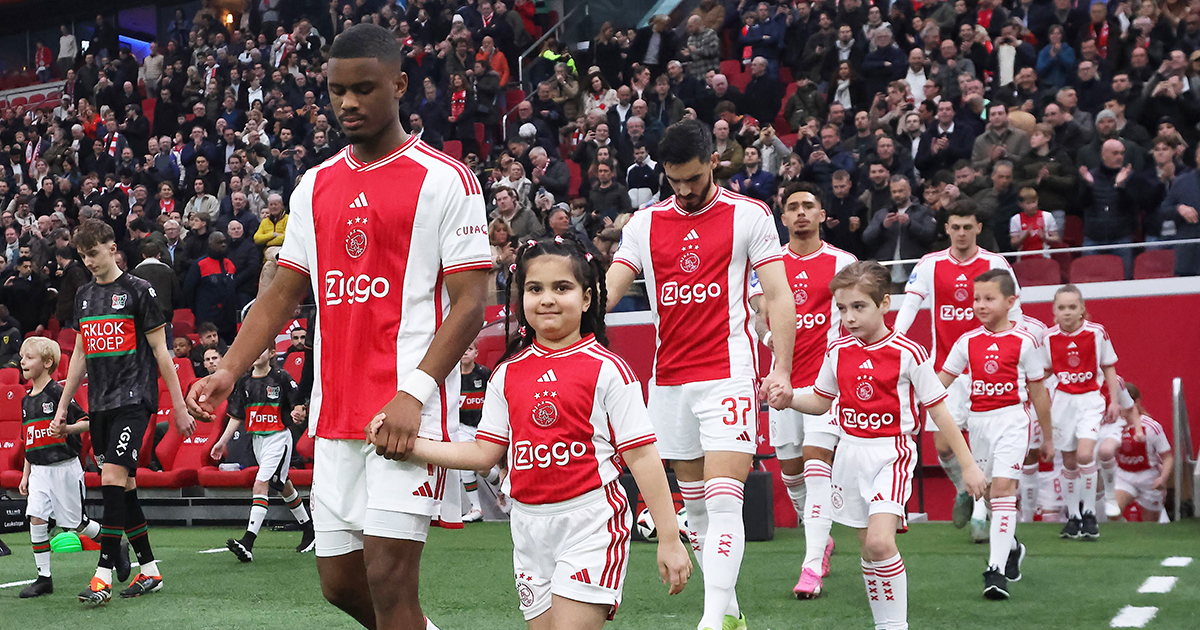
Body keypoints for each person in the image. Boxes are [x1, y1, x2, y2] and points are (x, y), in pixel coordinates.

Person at [187, 25, 492, 630]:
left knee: (388, 579)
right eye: (336, 91)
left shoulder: (446, 180)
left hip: (409, 410)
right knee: (339, 584)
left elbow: (470, 305)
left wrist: (416, 394)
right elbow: (281, 294)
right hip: (335, 412)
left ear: (400, 86)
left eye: (363, 88)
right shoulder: (316, 184)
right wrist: (228, 369)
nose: (347, 103)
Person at [394, 236, 691, 628]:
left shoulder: (609, 369)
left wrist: (669, 538)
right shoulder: (506, 372)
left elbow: (642, 456)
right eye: (535, 289)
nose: (547, 299)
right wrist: (412, 445)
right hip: (528, 528)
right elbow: (484, 454)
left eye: (562, 288)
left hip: (590, 524)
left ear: (587, 299)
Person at [604, 119, 796, 630]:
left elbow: (778, 295)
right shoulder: (643, 225)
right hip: (668, 381)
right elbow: (609, 289)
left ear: (714, 161)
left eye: (693, 178)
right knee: (698, 510)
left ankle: (711, 620)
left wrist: (781, 368)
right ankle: (730, 614)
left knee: (724, 497)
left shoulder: (750, 214)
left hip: (727, 374)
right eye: (674, 180)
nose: (685, 190)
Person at [766, 261, 985, 630]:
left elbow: (940, 411)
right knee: (869, 548)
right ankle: (884, 623)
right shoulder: (837, 350)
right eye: (841, 308)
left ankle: (895, 625)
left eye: (858, 307)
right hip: (849, 455)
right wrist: (788, 397)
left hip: (892, 454)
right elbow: (821, 400)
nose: (848, 317)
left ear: (885, 303)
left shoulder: (909, 352)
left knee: (882, 543)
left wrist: (969, 465)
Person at [61, 219, 194, 604]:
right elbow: (81, 354)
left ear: (112, 247)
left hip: (134, 401)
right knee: (126, 487)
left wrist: (180, 406)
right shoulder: (84, 296)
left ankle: (102, 574)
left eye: (94, 252)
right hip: (99, 403)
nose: (89, 261)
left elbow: (162, 354)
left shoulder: (139, 290)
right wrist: (64, 408)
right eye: (83, 255)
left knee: (113, 476)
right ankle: (150, 570)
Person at [751, 182, 855, 599]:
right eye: (792, 206)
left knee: (816, 470)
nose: (800, 213)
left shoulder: (843, 262)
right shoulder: (769, 262)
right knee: (791, 471)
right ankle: (820, 539)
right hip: (783, 382)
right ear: (783, 217)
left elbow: (855, 315)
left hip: (826, 385)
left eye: (808, 206)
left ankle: (810, 566)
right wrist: (767, 337)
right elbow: (759, 315)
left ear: (822, 215)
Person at [894, 203, 1021, 541]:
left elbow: (1015, 314)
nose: (961, 233)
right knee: (944, 447)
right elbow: (909, 305)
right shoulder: (930, 264)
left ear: (978, 227)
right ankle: (965, 490)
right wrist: (894, 341)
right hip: (946, 371)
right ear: (946, 228)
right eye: (955, 227)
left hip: (989, 372)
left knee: (986, 447)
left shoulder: (996, 264)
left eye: (968, 226)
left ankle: (982, 512)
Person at [937, 270, 1053, 600]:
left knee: (1003, 489)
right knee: (987, 494)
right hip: (979, 424)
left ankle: (995, 571)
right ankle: (1012, 547)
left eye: (989, 298)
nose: (980, 305)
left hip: (1013, 420)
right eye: (976, 299)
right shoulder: (967, 342)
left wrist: (1048, 438)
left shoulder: (1026, 342)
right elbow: (939, 382)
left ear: (1011, 301)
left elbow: (1039, 393)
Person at [17, 337, 125, 598]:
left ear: (47, 362)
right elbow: (29, 442)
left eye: (29, 357)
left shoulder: (57, 393)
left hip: (64, 467)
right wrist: (25, 474)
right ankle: (44, 577)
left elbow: (87, 421)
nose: (22, 361)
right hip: (40, 470)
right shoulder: (25, 401)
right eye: (21, 357)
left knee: (77, 524)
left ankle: (116, 545)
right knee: (36, 517)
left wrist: (66, 429)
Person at [211, 346, 314, 561]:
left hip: (278, 438)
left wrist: (298, 410)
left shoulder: (281, 377)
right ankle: (309, 528)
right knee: (283, 485)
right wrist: (222, 441)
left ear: (272, 353)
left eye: (262, 349)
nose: (257, 352)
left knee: (261, 483)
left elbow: (297, 401)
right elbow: (237, 415)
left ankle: (248, 541)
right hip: (258, 439)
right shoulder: (244, 382)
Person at [1043, 284, 1125, 540]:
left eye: (1072, 307)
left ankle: (1089, 512)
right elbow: (1043, 372)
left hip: (1090, 399)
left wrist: (1114, 400)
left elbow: (1109, 366)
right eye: (1061, 307)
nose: (1067, 312)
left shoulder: (1097, 333)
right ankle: (1073, 516)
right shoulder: (1047, 338)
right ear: (1054, 311)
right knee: (1068, 461)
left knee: (1085, 454)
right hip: (1063, 402)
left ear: (1082, 310)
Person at [1096, 383, 1173, 523]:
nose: (1119, 407)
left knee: (1150, 524)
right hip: (1124, 475)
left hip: (1148, 477)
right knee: (1113, 512)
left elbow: (1167, 457)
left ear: (1135, 403)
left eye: (1123, 403)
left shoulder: (1151, 427)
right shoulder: (1112, 426)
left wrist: (1163, 478)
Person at [457, 339, 495, 522]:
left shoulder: (485, 374)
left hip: (484, 428)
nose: (465, 352)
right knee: (466, 465)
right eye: (462, 349)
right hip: (463, 428)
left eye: (469, 349)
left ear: (476, 353)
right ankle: (476, 508)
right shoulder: (452, 378)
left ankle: (503, 490)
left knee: (484, 469)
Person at [1009, 188, 1060, 254]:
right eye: (1028, 203)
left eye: (1034, 202)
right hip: (1023, 256)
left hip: (1044, 256)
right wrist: (1025, 236)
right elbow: (1013, 244)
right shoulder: (1015, 219)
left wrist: (1046, 238)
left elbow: (1056, 239)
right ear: (1021, 204)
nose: (1032, 206)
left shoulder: (1047, 216)